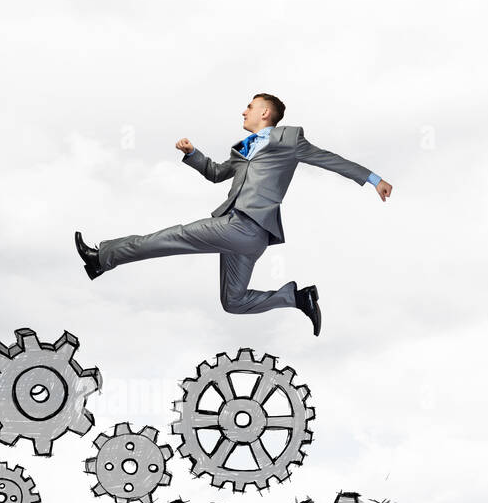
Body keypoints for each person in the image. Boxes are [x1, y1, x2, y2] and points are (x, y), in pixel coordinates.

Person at [75, 93, 390, 336]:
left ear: (264, 112)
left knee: (173, 237)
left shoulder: (290, 139)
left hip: (244, 225)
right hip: (245, 238)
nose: (244, 111)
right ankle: (296, 298)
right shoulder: (245, 146)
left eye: (250, 106)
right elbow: (215, 173)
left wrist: (374, 180)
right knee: (233, 302)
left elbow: (329, 160)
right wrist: (192, 154)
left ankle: (101, 257)